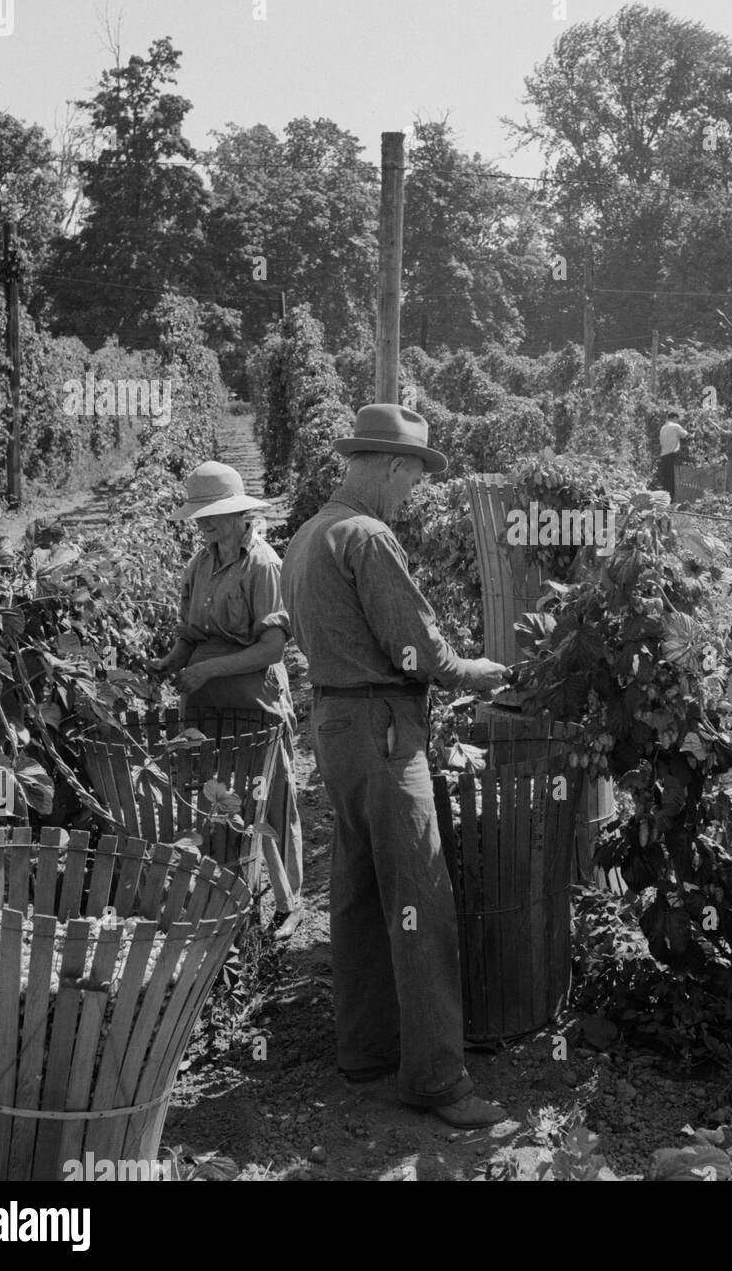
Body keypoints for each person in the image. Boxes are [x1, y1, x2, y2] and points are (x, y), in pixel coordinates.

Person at [280, 404, 508, 1129]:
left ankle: (366, 1049)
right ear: (386, 466)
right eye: (411, 478)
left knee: (354, 890)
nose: (411, 495)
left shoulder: (307, 535)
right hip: (383, 731)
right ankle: (438, 1079)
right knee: (422, 897)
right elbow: (418, 649)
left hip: (333, 725)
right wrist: (478, 671)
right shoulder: (367, 536)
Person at [152, 461, 304, 939]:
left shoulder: (263, 565)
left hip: (253, 701)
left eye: (213, 514)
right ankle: (228, 894)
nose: (204, 523)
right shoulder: (199, 564)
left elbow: (272, 648)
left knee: (265, 797)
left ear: (241, 516)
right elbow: (190, 635)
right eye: (200, 515)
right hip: (203, 703)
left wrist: (207, 669)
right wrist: (169, 663)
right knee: (212, 796)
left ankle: (287, 901)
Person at [655, 408, 688, 502]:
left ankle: (664, 500)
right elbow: (685, 435)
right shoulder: (675, 426)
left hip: (663, 455)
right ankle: (672, 500)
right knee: (673, 478)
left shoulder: (663, 428)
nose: (678, 421)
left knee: (665, 478)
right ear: (674, 418)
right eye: (677, 419)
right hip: (672, 455)